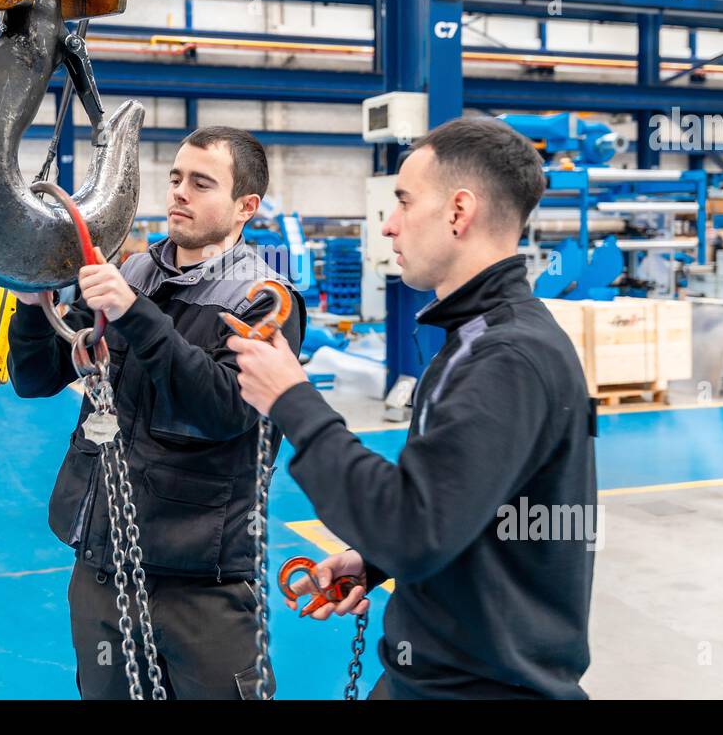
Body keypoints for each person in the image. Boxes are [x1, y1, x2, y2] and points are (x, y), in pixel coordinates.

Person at [228, 116, 597, 700]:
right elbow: (456, 506)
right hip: (435, 676)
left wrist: (293, 401)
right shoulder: (482, 339)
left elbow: (413, 529)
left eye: (403, 201)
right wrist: (373, 561)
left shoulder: (506, 357)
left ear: (459, 211)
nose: (391, 225)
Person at [8, 126, 305, 699]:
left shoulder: (263, 299)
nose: (179, 193)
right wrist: (29, 300)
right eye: (174, 178)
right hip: (102, 567)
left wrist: (136, 315)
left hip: (200, 583)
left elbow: (226, 410)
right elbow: (36, 379)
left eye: (201, 183)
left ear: (247, 206)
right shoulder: (133, 273)